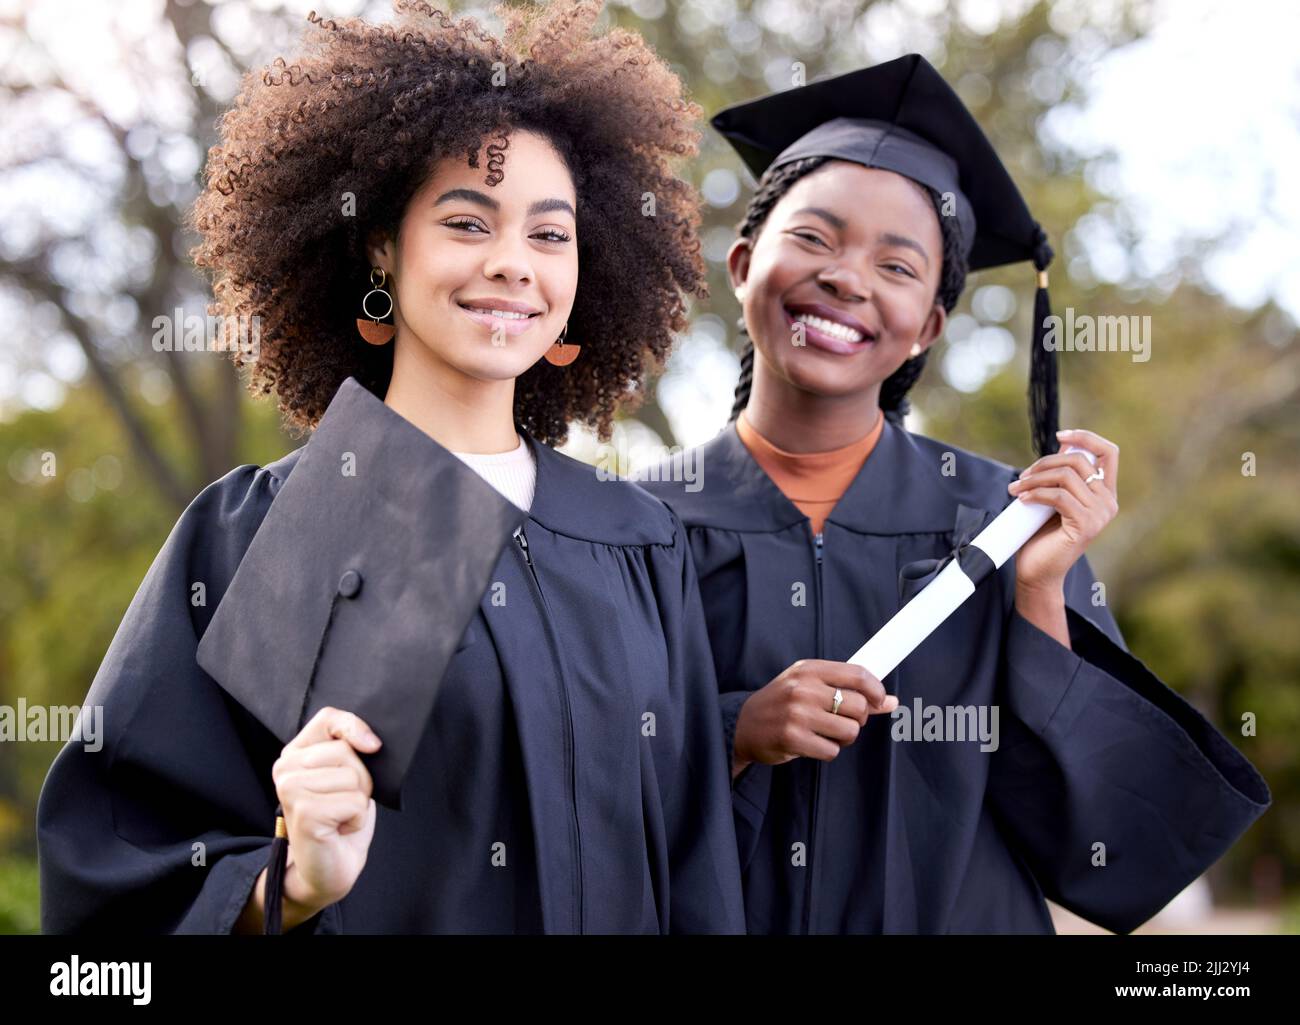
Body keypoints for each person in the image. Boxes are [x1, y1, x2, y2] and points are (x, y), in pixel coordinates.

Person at [37, 0, 744, 935]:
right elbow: (120, 877)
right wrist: (287, 886)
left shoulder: (637, 541)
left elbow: (696, 867)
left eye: (548, 233)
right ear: (383, 244)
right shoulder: (271, 531)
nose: (511, 265)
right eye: (466, 220)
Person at [641, 54, 1270, 934]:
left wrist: (1042, 592)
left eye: (898, 267)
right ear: (744, 264)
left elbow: (1091, 843)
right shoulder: (634, 527)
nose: (848, 279)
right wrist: (734, 731)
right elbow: (573, 785)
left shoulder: (1005, 524)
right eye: (815, 238)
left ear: (931, 325)